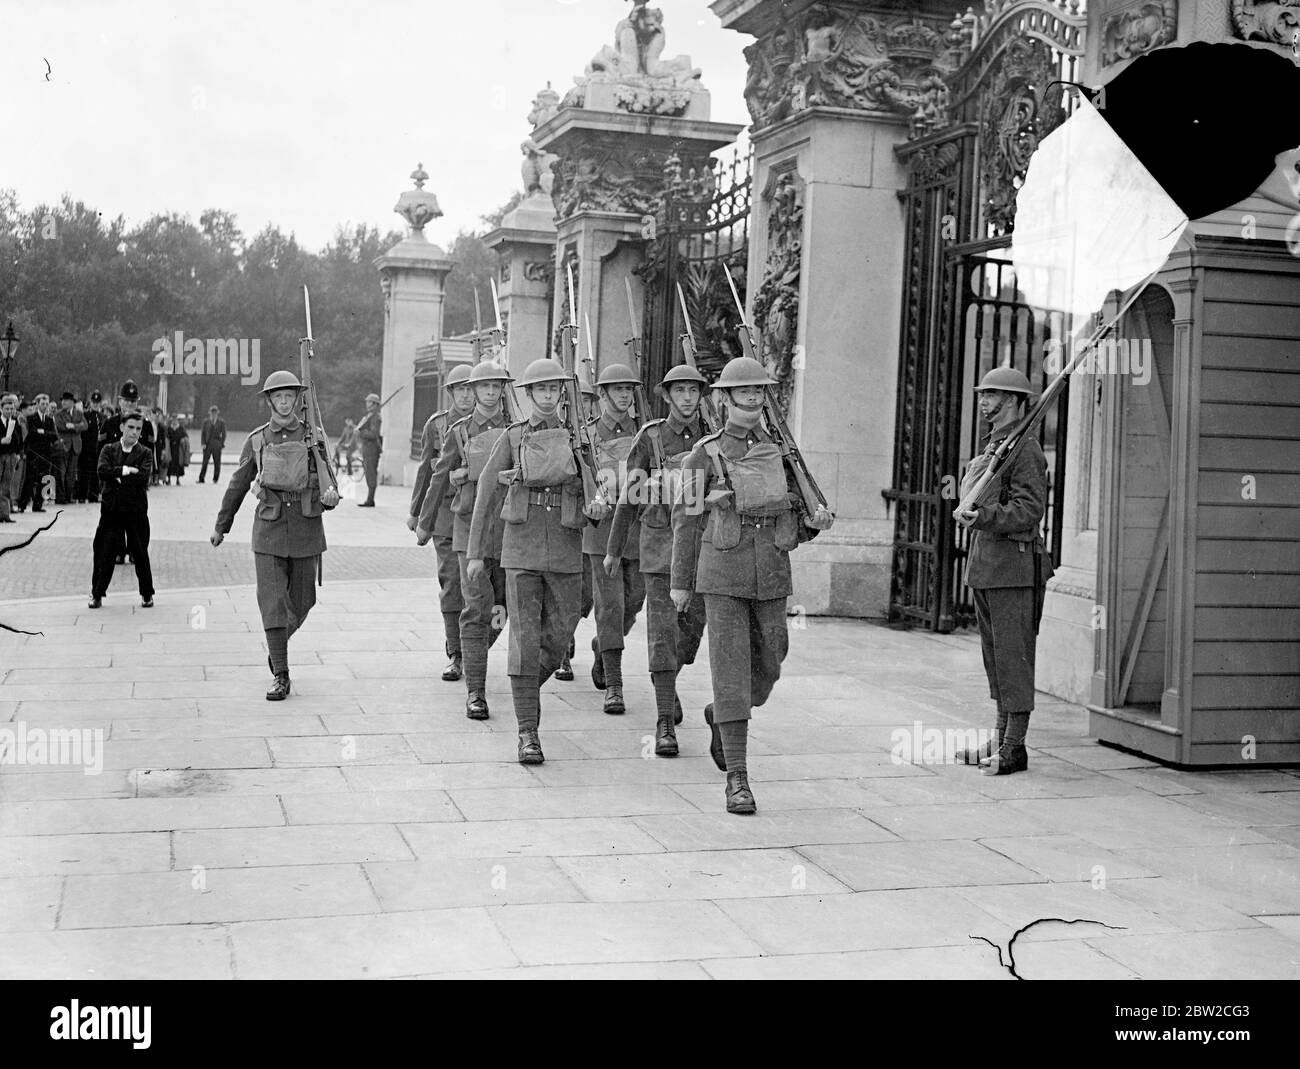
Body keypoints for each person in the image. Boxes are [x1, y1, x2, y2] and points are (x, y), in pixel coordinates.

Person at [670, 356, 834, 814]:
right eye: (745, 392)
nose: (754, 398)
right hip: (721, 571)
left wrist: (814, 522)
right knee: (730, 669)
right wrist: (680, 582)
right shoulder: (702, 453)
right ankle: (738, 778)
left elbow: (799, 514)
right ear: (724, 398)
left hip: (772, 572)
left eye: (760, 392)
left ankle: (721, 715)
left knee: (771, 660)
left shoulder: (782, 453)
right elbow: (685, 518)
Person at [466, 358, 607, 764]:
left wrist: (598, 505)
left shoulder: (579, 439)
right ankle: (528, 731)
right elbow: (486, 496)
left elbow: (596, 491)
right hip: (522, 549)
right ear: (528, 395)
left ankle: (522, 687)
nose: (547, 396)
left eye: (554, 389)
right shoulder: (511, 438)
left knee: (560, 635)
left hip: (565, 547)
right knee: (525, 638)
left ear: (562, 394)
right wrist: (476, 553)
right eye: (540, 389)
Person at [210, 370, 340, 700]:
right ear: (269, 401)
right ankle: (281, 673)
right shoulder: (257, 440)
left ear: (298, 399)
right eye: (277, 397)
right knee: (272, 602)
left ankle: (276, 645)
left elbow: (330, 481)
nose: (284, 402)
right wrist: (221, 526)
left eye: (289, 396)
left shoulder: (314, 437)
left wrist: (331, 497)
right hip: (268, 528)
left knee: (303, 600)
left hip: (306, 526)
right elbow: (238, 484)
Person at [954, 366, 1054, 776]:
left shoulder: (1025, 450)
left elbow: (1030, 511)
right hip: (988, 567)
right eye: (982, 394)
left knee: (1014, 659)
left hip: (1015, 568)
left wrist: (983, 515)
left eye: (991, 395)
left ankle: (1015, 747)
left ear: (1014, 401)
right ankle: (1000, 738)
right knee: (995, 660)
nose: (983, 402)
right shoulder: (996, 445)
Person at [605, 364, 709, 756]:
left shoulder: (711, 440)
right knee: (663, 633)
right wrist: (615, 548)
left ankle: (669, 680)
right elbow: (629, 495)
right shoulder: (650, 439)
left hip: (702, 551)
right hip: (659, 550)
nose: (686, 397)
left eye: (692, 391)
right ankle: (665, 718)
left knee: (690, 634)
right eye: (679, 390)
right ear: (666, 396)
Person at [415, 361, 512, 719]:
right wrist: (424, 522)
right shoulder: (458, 432)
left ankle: (473, 650)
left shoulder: (514, 430)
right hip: (466, 529)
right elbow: (437, 477)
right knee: (474, 604)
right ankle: (475, 689)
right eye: (482, 387)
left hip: (506, 529)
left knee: (502, 606)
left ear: (502, 390)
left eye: (494, 387)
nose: (487, 393)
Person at [582, 363, 646, 715]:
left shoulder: (645, 432)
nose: (623, 395)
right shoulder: (589, 434)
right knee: (610, 605)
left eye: (627, 389)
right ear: (603, 394)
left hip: (637, 528)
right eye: (616, 389)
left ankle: (603, 647)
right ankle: (615, 684)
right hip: (604, 530)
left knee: (634, 601)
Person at [408, 364, 474, 680]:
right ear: (449, 393)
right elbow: (426, 472)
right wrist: (418, 514)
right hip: (447, 515)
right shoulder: (437, 426)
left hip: (479, 514)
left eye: (469, 388)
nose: (465, 394)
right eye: (459, 389)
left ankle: (475, 643)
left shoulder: (490, 424)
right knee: (451, 581)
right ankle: (456, 653)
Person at [554, 375, 601, 684]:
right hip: (566, 525)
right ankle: (562, 650)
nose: (581, 405)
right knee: (565, 594)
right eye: (575, 400)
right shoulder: (555, 432)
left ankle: (570, 634)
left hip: (595, 527)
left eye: (586, 400)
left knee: (586, 594)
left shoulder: (599, 432)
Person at [89, 411, 155, 609]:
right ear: (121, 428)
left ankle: (146, 593)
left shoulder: (145, 453)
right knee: (104, 552)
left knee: (140, 552)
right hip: (112, 510)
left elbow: (143, 477)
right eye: (131, 428)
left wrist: (116, 475)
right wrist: (126, 470)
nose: (134, 433)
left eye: (138, 429)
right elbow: (101, 471)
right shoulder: (109, 449)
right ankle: (97, 593)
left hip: (135, 511)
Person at [99, 382, 155, 564]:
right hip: (114, 484)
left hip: (135, 484)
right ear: (120, 401)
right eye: (126, 401)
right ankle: (118, 550)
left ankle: (135, 550)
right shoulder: (109, 424)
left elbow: (149, 452)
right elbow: (101, 451)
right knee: (114, 520)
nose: (129, 405)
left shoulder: (145, 426)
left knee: (138, 519)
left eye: (133, 401)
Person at [17, 393, 56, 513]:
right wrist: (45, 434)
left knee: (44, 479)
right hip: (34, 453)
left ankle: (38, 505)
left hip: (46, 453)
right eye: (42, 404)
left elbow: (54, 435)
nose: (44, 406)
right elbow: (32, 433)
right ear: (37, 404)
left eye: (46, 404)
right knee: (30, 479)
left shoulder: (49, 420)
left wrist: (42, 432)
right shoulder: (31, 418)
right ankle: (22, 504)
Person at [54, 392, 87, 504]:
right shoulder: (58, 414)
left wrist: (73, 426)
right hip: (63, 446)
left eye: (66, 400)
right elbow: (60, 426)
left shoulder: (79, 413)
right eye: (62, 400)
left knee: (71, 474)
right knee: (61, 473)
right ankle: (61, 497)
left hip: (75, 446)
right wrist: (77, 426)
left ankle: (69, 496)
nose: (63, 402)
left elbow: (85, 425)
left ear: (72, 402)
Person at [0, 393, 24, 522]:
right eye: (7, 409)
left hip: (10, 457)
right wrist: (1, 441)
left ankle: (5, 514)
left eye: (11, 409)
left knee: (6, 486)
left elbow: (19, 440)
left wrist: (18, 453)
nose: (9, 411)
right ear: (1, 408)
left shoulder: (15, 423)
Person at [356, 392, 382, 507]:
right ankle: (369, 498)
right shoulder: (370, 416)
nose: (366, 403)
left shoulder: (376, 417)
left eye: (369, 401)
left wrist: (361, 432)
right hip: (367, 449)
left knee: (371, 474)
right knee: (368, 473)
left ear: (374, 404)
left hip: (372, 449)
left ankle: (370, 500)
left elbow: (373, 434)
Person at [77, 391, 103, 503]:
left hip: (98, 449)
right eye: (94, 402)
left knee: (96, 474)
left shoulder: (103, 417)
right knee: (85, 473)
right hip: (87, 449)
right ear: (91, 403)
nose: (95, 404)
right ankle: (82, 496)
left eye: (97, 402)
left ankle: (94, 495)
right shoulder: (86, 415)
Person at [199, 405, 226, 483]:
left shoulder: (221, 422)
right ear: (210, 413)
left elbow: (224, 434)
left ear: (217, 413)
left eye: (215, 413)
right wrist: (203, 443)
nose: (213, 414)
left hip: (217, 445)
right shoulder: (206, 422)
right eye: (212, 413)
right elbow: (203, 433)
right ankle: (201, 478)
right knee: (204, 462)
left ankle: (215, 478)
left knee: (217, 463)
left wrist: (221, 444)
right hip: (207, 445)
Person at [165, 416, 187, 484]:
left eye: (175, 420)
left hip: (178, 448)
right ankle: (169, 479)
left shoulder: (181, 428)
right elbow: (166, 436)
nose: (174, 421)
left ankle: (178, 479)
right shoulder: (169, 428)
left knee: (178, 464)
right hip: (171, 448)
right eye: (173, 420)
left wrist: (183, 440)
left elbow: (185, 436)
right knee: (169, 464)